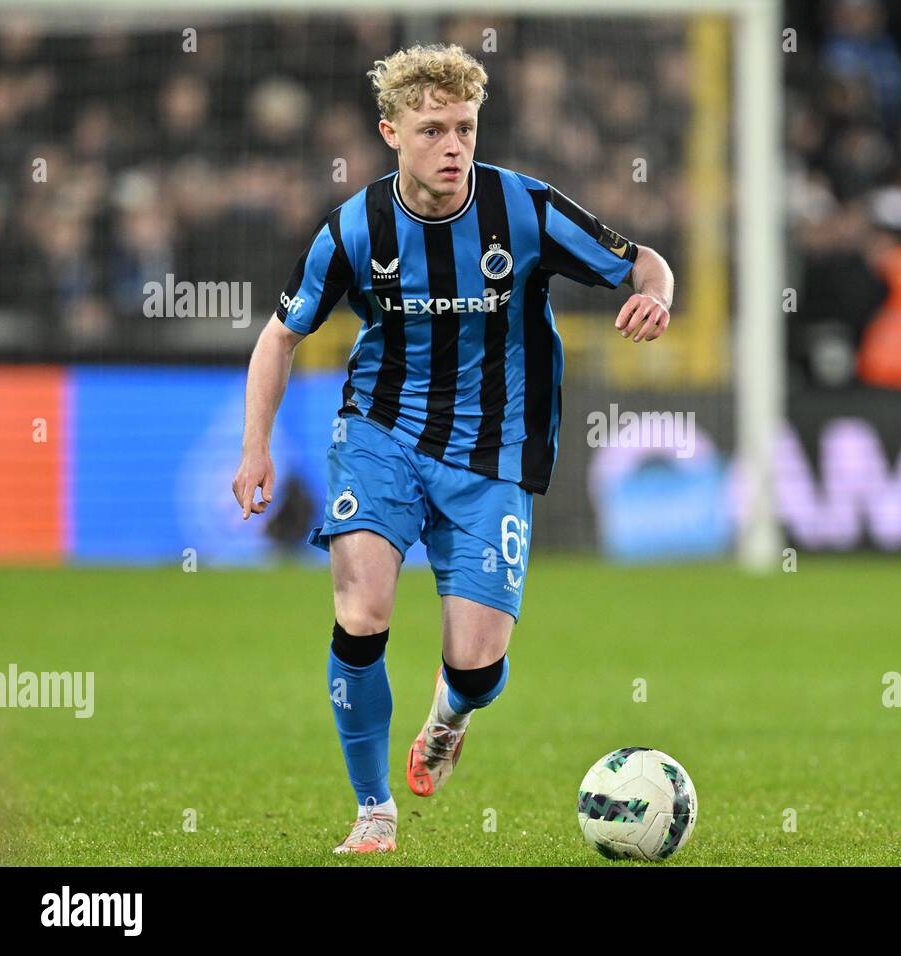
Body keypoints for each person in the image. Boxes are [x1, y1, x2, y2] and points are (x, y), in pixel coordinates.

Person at [230, 43, 674, 854]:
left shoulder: (525, 209)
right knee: (361, 612)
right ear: (390, 132)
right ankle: (373, 809)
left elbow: (644, 262)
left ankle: (449, 715)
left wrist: (656, 296)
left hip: (495, 452)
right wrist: (255, 448)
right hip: (380, 435)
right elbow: (278, 337)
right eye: (433, 129)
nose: (454, 146)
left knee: (475, 666)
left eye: (465, 127)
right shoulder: (353, 228)